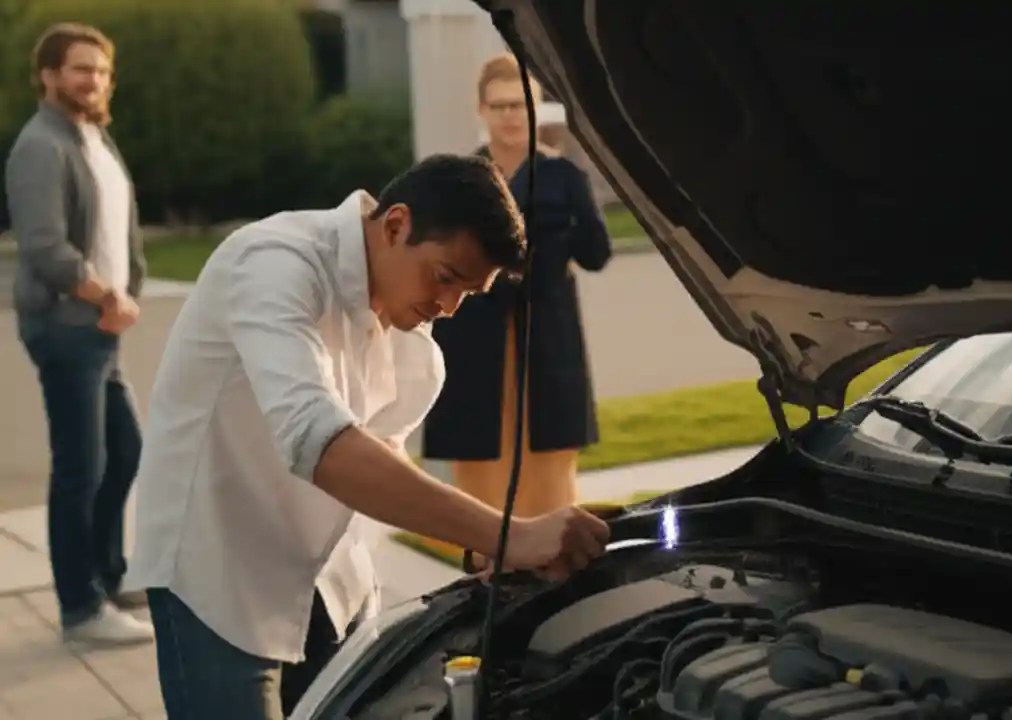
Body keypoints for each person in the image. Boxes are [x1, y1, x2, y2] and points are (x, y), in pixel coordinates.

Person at [120, 154, 610, 719]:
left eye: (468, 295)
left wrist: (474, 542)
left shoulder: (412, 333)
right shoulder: (274, 264)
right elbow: (319, 440)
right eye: (446, 278)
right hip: (217, 570)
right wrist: (509, 534)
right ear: (396, 225)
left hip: (332, 579)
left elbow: (379, 452)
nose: (448, 308)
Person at [4, 22, 152, 646]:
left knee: (123, 455)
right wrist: (108, 296)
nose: (92, 80)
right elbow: (44, 247)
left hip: (100, 329)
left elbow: (118, 234)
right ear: (48, 75)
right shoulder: (41, 145)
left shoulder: (94, 137)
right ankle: (80, 609)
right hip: (67, 327)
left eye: (100, 70)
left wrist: (125, 296)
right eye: (79, 69)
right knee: (81, 469)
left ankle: (107, 576)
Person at [421, 53, 612, 519]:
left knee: (550, 471)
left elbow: (597, 254)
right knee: (478, 476)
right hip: (473, 342)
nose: (511, 116)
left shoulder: (564, 176)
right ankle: (483, 573)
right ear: (482, 111)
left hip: (546, 338)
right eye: (500, 106)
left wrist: (562, 228)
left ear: (535, 109)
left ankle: (553, 569)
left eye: (519, 105)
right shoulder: (458, 180)